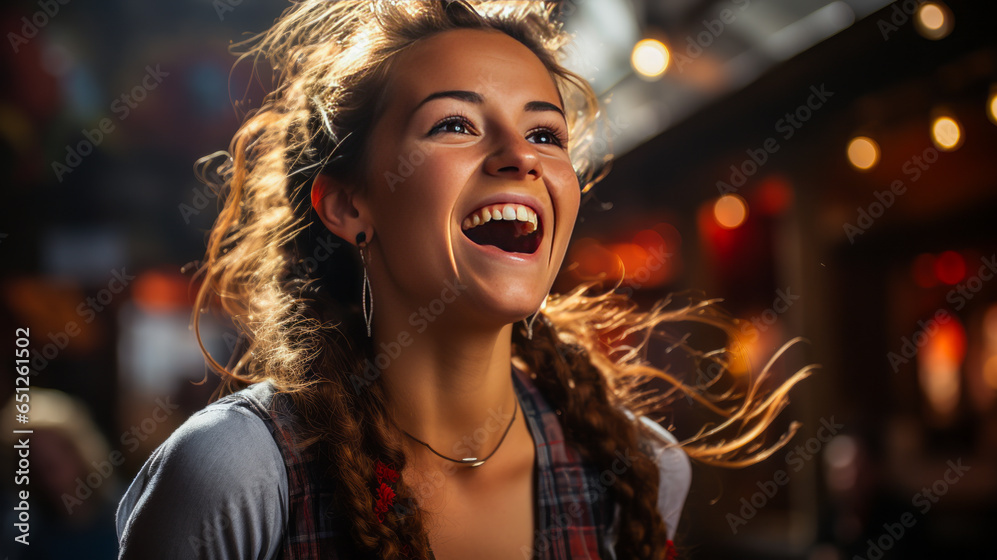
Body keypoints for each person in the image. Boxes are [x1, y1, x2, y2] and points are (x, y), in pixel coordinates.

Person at [116, 1, 810, 559]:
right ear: (350, 204)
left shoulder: (638, 471)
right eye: (454, 124)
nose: (519, 157)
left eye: (546, 134)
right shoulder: (236, 478)